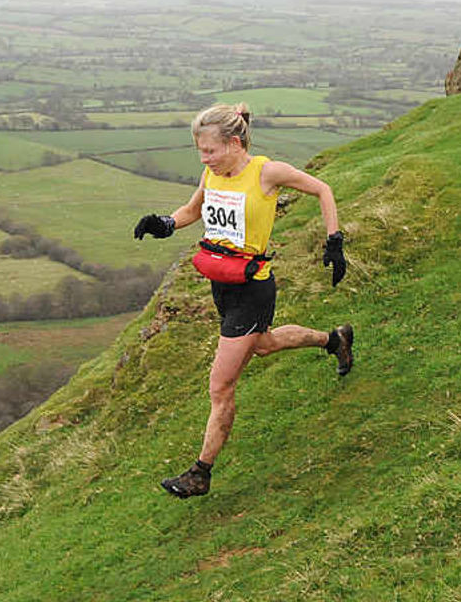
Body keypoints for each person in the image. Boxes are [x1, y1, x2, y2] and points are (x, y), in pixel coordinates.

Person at [134, 103, 353, 499]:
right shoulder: (212, 174)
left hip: (253, 290)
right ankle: (335, 340)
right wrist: (164, 224)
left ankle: (200, 473)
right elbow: (192, 210)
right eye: (200, 151)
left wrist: (334, 241)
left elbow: (323, 189)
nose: (204, 159)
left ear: (234, 143)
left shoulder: (267, 173)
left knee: (221, 387)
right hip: (222, 284)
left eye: (210, 151)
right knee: (264, 344)